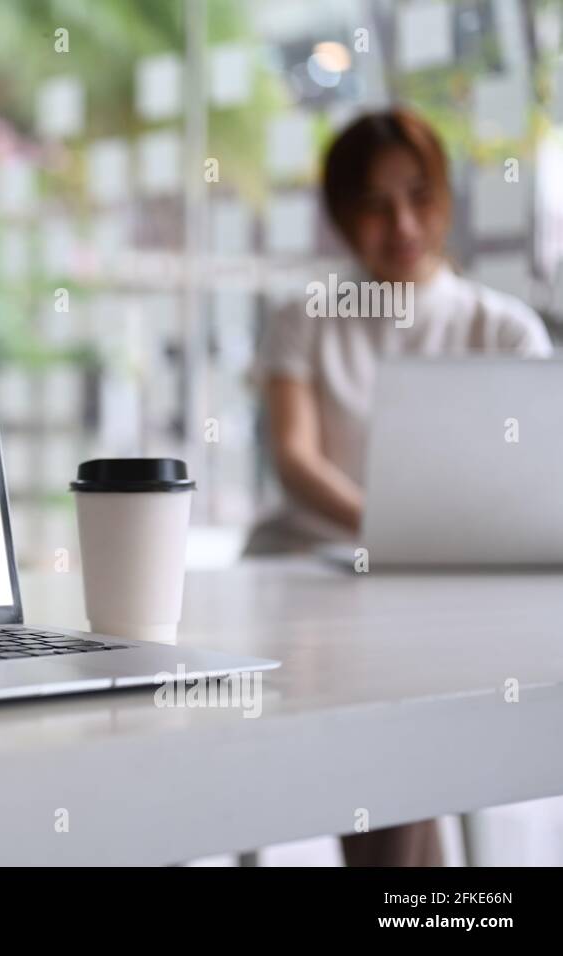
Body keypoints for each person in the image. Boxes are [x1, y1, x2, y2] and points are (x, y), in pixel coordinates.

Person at [249, 108, 553, 865]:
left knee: (400, 703)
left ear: (447, 197)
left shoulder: (505, 330)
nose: (403, 222)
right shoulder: (305, 320)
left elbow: (523, 487)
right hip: (309, 576)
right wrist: (391, 531)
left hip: (441, 594)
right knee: (389, 707)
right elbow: (295, 457)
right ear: (342, 216)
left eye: (420, 195)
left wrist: (422, 547)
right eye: (375, 205)